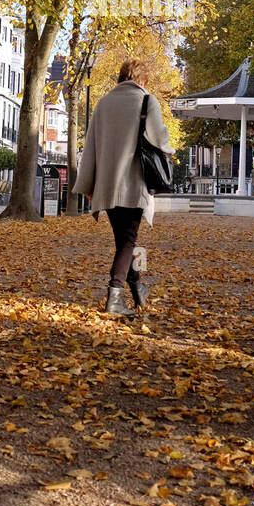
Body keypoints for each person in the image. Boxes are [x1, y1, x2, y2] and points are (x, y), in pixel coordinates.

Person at [73, 58, 173, 317]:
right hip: (133, 184)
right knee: (128, 242)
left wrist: (88, 183)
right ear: (142, 79)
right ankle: (114, 297)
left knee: (124, 241)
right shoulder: (147, 101)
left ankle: (138, 289)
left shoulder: (103, 103)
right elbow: (160, 138)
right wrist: (169, 150)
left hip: (106, 186)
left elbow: (90, 146)